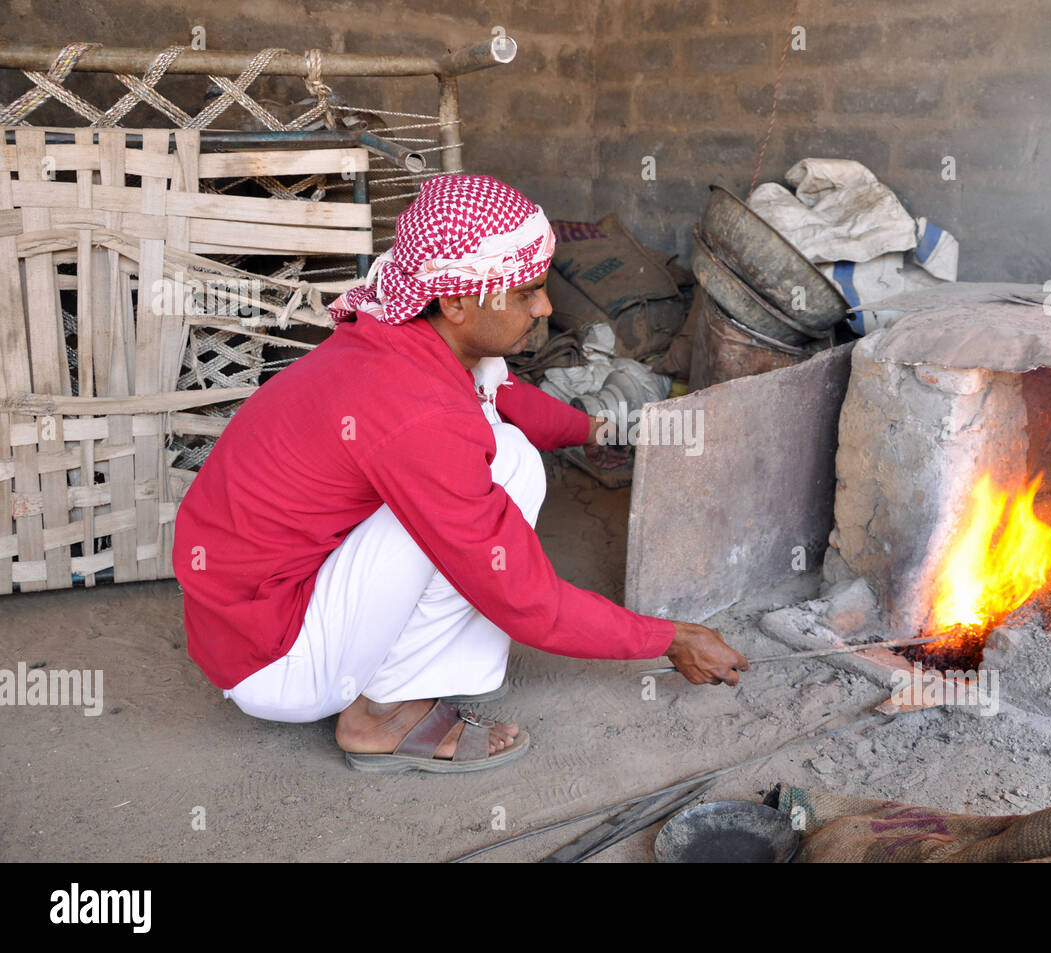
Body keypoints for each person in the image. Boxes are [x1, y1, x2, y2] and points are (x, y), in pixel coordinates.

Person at [172, 174, 748, 774]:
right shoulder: (417, 412)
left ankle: (410, 673)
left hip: (260, 601)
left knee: (509, 453)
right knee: (490, 496)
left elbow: (505, 396)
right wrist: (669, 638)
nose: (546, 307)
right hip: (271, 655)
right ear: (456, 302)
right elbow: (524, 598)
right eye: (527, 292)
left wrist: (598, 431)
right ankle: (380, 718)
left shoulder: (409, 335)